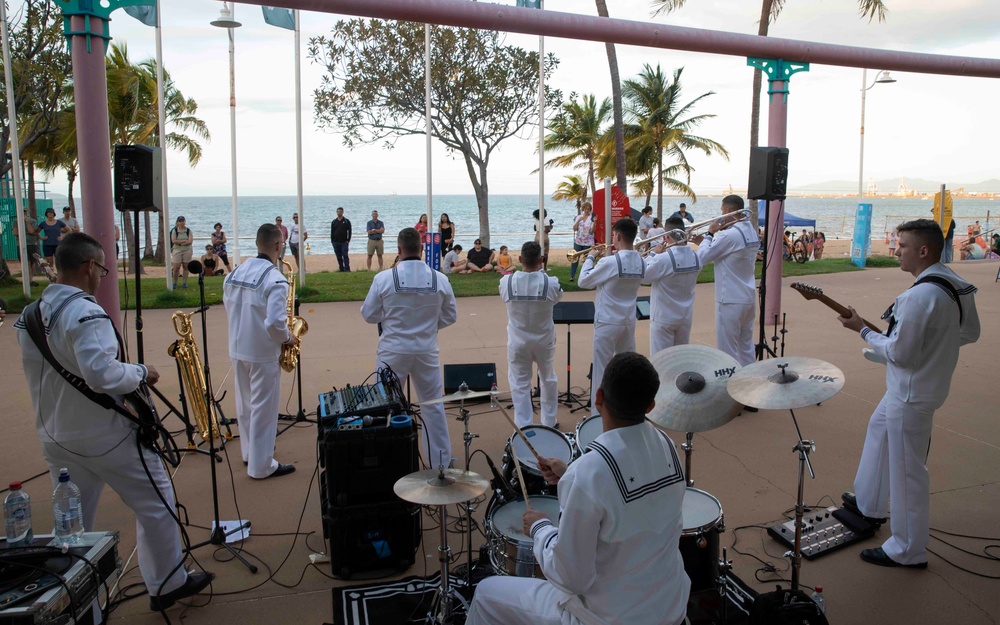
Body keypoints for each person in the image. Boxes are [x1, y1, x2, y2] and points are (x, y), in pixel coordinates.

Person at [14, 232, 214, 610]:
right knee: (156, 501)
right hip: (104, 434)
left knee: (72, 523)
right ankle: (167, 582)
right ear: (89, 266)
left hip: (55, 435)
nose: (102, 276)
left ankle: (69, 593)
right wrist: (142, 371)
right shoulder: (85, 311)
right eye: (103, 269)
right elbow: (101, 375)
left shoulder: (30, 315)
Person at [466, 352, 689, 625]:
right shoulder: (667, 446)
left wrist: (540, 528)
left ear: (598, 397)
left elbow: (572, 578)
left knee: (486, 594)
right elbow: (631, 502)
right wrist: (569, 473)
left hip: (607, 617)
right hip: (669, 607)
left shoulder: (588, 474)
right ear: (651, 405)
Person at [838, 219, 979, 568]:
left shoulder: (918, 296)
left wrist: (862, 331)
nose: (895, 250)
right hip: (920, 385)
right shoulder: (954, 283)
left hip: (911, 392)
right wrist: (934, 349)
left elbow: (899, 353)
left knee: (907, 472)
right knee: (878, 429)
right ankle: (869, 501)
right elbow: (969, 332)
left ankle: (907, 549)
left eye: (901, 245)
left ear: (923, 250)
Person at [361, 228, 458, 468]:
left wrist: (389, 317)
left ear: (399, 249)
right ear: (422, 249)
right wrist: (429, 326)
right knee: (432, 406)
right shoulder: (440, 279)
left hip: (392, 350)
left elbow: (369, 314)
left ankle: (385, 461)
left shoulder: (383, 278)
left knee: (385, 407)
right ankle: (440, 463)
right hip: (426, 350)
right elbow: (451, 315)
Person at [223, 224, 298, 480]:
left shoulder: (234, 273)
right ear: (278, 246)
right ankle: (261, 465)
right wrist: (289, 338)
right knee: (264, 409)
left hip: (237, 347)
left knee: (245, 405)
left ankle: (249, 453)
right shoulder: (275, 279)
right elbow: (275, 323)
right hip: (262, 352)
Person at [577, 218, 644, 418]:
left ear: (619, 236)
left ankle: (598, 416)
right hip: (628, 321)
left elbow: (583, 281)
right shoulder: (641, 260)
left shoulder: (610, 261)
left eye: (614, 235)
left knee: (602, 369)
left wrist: (590, 257)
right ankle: (626, 409)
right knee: (626, 367)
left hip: (607, 321)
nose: (612, 239)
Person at [500, 241, 562, 428]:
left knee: (519, 384)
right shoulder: (551, 283)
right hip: (544, 341)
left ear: (519, 259)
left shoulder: (506, 282)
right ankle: (549, 423)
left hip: (518, 342)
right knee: (548, 379)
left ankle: (524, 427)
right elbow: (558, 297)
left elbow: (504, 296)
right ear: (541, 260)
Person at [695, 195, 759, 369]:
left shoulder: (728, 235)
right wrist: (706, 242)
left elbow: (702, 258)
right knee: (746, 348)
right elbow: (727, 252)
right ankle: (749, 384)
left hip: (729, 299)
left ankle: (728, 390)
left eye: (722, 211)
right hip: (748, 297)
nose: (720, 215)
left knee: (726, 351)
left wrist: (709, 234)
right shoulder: (751, 231)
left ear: (730, 211)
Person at [644, 216, 701, 353]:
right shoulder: (696, 257)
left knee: (661, 362)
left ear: (666, 236)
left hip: (663, 318)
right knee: (680, 359)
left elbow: (643, 277)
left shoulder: (662, 259)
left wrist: (652, 254)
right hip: (685, 316)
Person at [569, 201, 595, 282]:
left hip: (588, 242)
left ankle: (587, 276)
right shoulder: (579, 217)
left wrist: (595, 222)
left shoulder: (591, 218)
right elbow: (574, 228)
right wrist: (578, 220)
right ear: (583, 209)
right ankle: (572, 276)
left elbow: (591, 231)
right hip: (578, 241)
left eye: (588, 209)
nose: (586, 210)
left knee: (587, 260)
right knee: (575, 258)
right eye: (585, 209)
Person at [170, 216, 194, 289]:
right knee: (176, 267)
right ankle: (174, 283)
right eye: (180, 221)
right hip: (177, 250)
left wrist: (181, 242)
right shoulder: (175, 231)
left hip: (187, 250)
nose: (182, 222)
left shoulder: (188, 230)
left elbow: (190, 241)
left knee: (186, 266)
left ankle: (184, 282)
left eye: (183, 221)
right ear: (178, 222)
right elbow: (174, 241)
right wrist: (183, 241)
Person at [330, 207, 352, 272]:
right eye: (338, 211)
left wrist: (348, 240)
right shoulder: (334, 222)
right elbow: (332, 232)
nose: (339, 212)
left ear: (343, 212)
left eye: (340, 211)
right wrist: (332, 241)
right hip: (336, 242)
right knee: (338, 256)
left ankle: (347, 268)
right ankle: (341, 268)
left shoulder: (346, 221)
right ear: (336, 212)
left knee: (345, 255)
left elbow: (349, 232)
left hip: (344, 242)